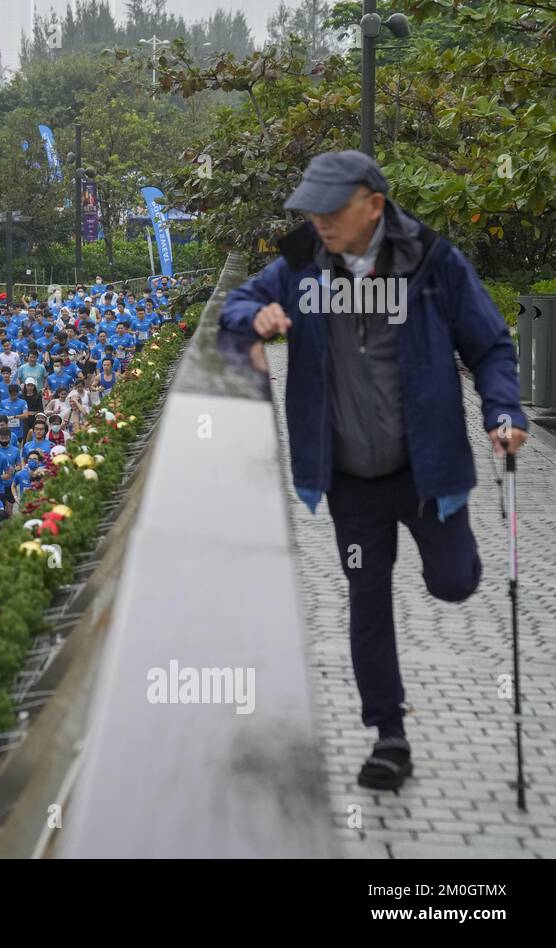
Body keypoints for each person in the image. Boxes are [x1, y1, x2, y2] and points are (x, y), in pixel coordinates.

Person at [220, 149, 529, 790]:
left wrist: (502, 410)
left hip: (425, 472)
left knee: (454, 582)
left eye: (332, 210)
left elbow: (490, 343)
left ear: (374, 206)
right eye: (312, 210)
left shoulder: (433, 263)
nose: (319, 222)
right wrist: (256, 316)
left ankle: (449, 562)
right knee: (368, 600)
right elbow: (236, 306)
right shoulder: (303, 263)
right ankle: (389, 735)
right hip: (350, 478)